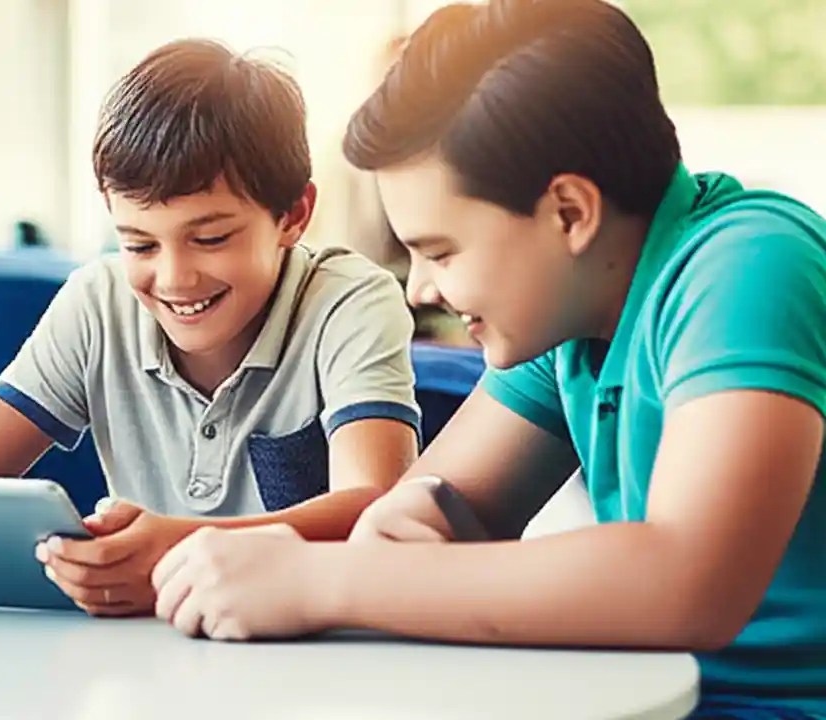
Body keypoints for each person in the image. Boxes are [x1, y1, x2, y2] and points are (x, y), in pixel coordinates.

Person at [151, 1, 826, 716]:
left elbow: (689, 583)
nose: (419, 289)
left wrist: (326, 579)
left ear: (569, 213)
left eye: (440, 251)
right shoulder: (569, 311)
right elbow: (439, 503)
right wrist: (394, 534)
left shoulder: (749, 265)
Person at [0, 39, 422, 617]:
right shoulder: (99, 300)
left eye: (210, 239)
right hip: (149, 658)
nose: (175, 278)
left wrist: (178, 546)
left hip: (304, 658)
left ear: (293, 216)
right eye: (138, 243)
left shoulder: (351, 302)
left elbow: (377, 507)